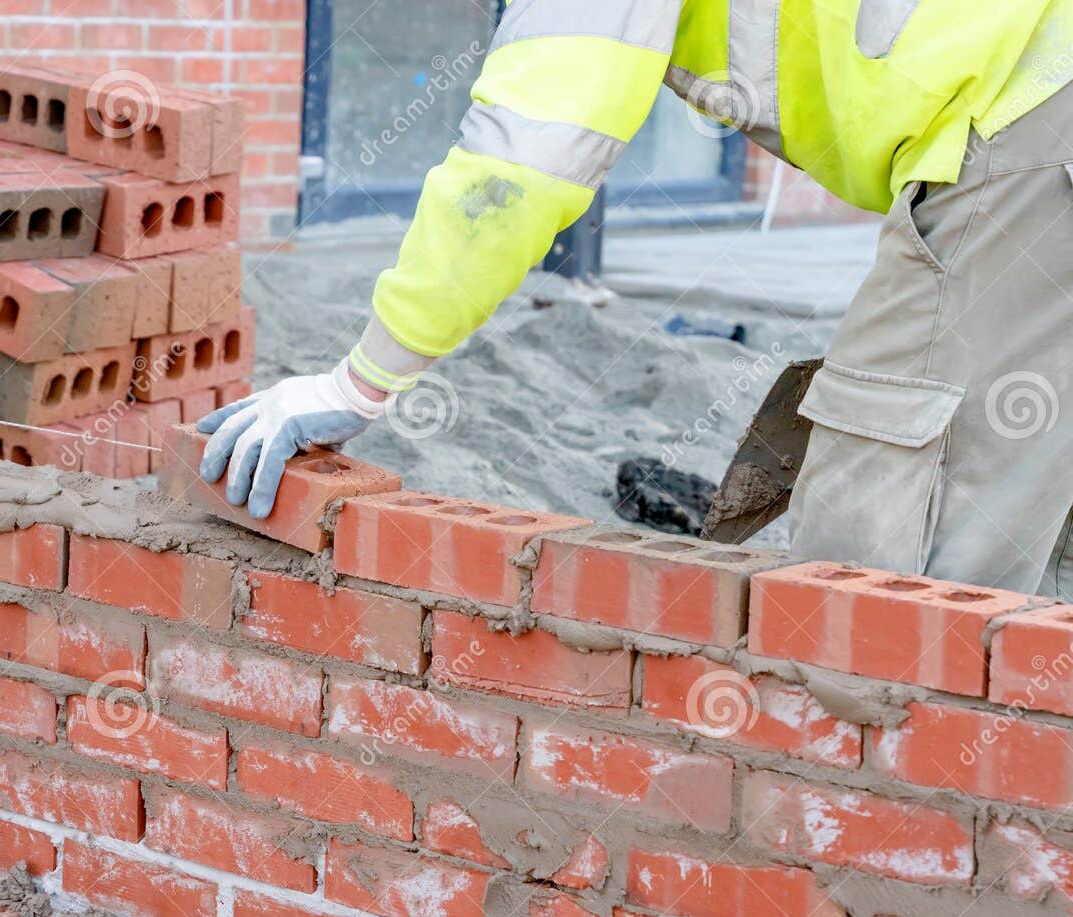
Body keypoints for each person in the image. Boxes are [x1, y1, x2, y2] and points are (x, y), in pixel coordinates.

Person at [197, 0, 1073, 596]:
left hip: (1029, 116)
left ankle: (888, 841)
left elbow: (526, 161)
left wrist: (359, 383)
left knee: (880, 576)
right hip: (1031, 99)